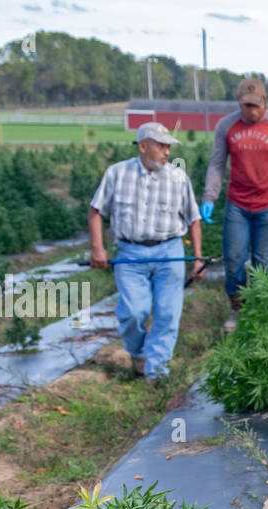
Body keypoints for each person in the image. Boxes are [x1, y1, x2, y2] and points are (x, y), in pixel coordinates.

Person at [89, 121, 203, 385]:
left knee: (166, 312)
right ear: (142, 146)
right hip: (130, 254)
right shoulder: (117, 174)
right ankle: (139, 354)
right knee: (133, 313)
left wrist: (198, 258)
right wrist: (98, 247)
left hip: (169, 251)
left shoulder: (178, 178)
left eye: (169, 147)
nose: (167, 152)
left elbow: (193, 219)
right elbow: (96, 211)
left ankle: (157, 370)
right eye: (161, 146)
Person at [202, 78, 268, 334]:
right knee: (233, 260)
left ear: (265, 101)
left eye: (256, 106)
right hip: (238, 205)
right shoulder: (227, 126)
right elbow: (216, 164)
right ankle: (237, 307)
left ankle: (258, 310)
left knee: (262, 262)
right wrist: (209, 198)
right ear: (239, 103)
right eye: (246, 106)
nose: (252, 111)